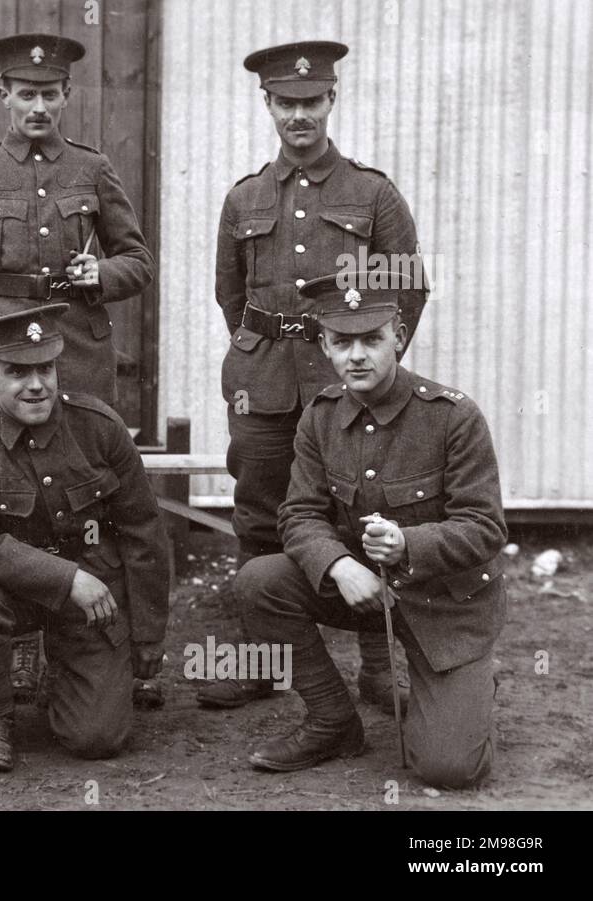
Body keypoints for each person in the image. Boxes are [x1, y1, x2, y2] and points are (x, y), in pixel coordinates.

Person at [0, 33, 155, 707]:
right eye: (23, 94)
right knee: (12, 495)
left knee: (87, 495)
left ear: (66, 97)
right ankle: (22, 645)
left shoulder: (93, 169)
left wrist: (101, 273)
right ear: (3, 97)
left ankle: (104, 641)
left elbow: (138, 262)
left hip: (75, 358)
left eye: (48, 94)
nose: (36, 105)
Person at [204, 40, 427, 712]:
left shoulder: (372, 192)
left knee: (364, 506)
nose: (299, 114)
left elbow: (407, 286)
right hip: (264, 378)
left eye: (311, 101)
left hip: (350, 381)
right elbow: (229, 292)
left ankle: (377, 663)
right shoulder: (244, 198)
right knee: (259, 514)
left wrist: (374, 363)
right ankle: (263, 659)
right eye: (286, 103)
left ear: (331, 100)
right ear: (267, 104)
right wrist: (260, 349)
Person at [236, 271, 505, 789]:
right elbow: (299, 514)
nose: (357, 355)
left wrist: (410, 543)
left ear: (398, 340)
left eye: (372, 340)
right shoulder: (320, 417)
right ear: (325, 347)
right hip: (367, 592)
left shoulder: (453, 416)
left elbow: (485, 527)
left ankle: (467, 683)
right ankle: (333, 721)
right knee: (260, 581)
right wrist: (337, 565)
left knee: (449, 770)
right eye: (342, 342)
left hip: (444, 606)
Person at [0, 304, 169, 772]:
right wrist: (66, 578)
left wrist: (146, 636)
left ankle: (63, 673)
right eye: (18, 371)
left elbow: (143, 532)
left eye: (45, 368)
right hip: (16, 590)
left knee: (96, 739)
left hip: (94, 597)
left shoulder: (99, 427)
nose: (37, 384)